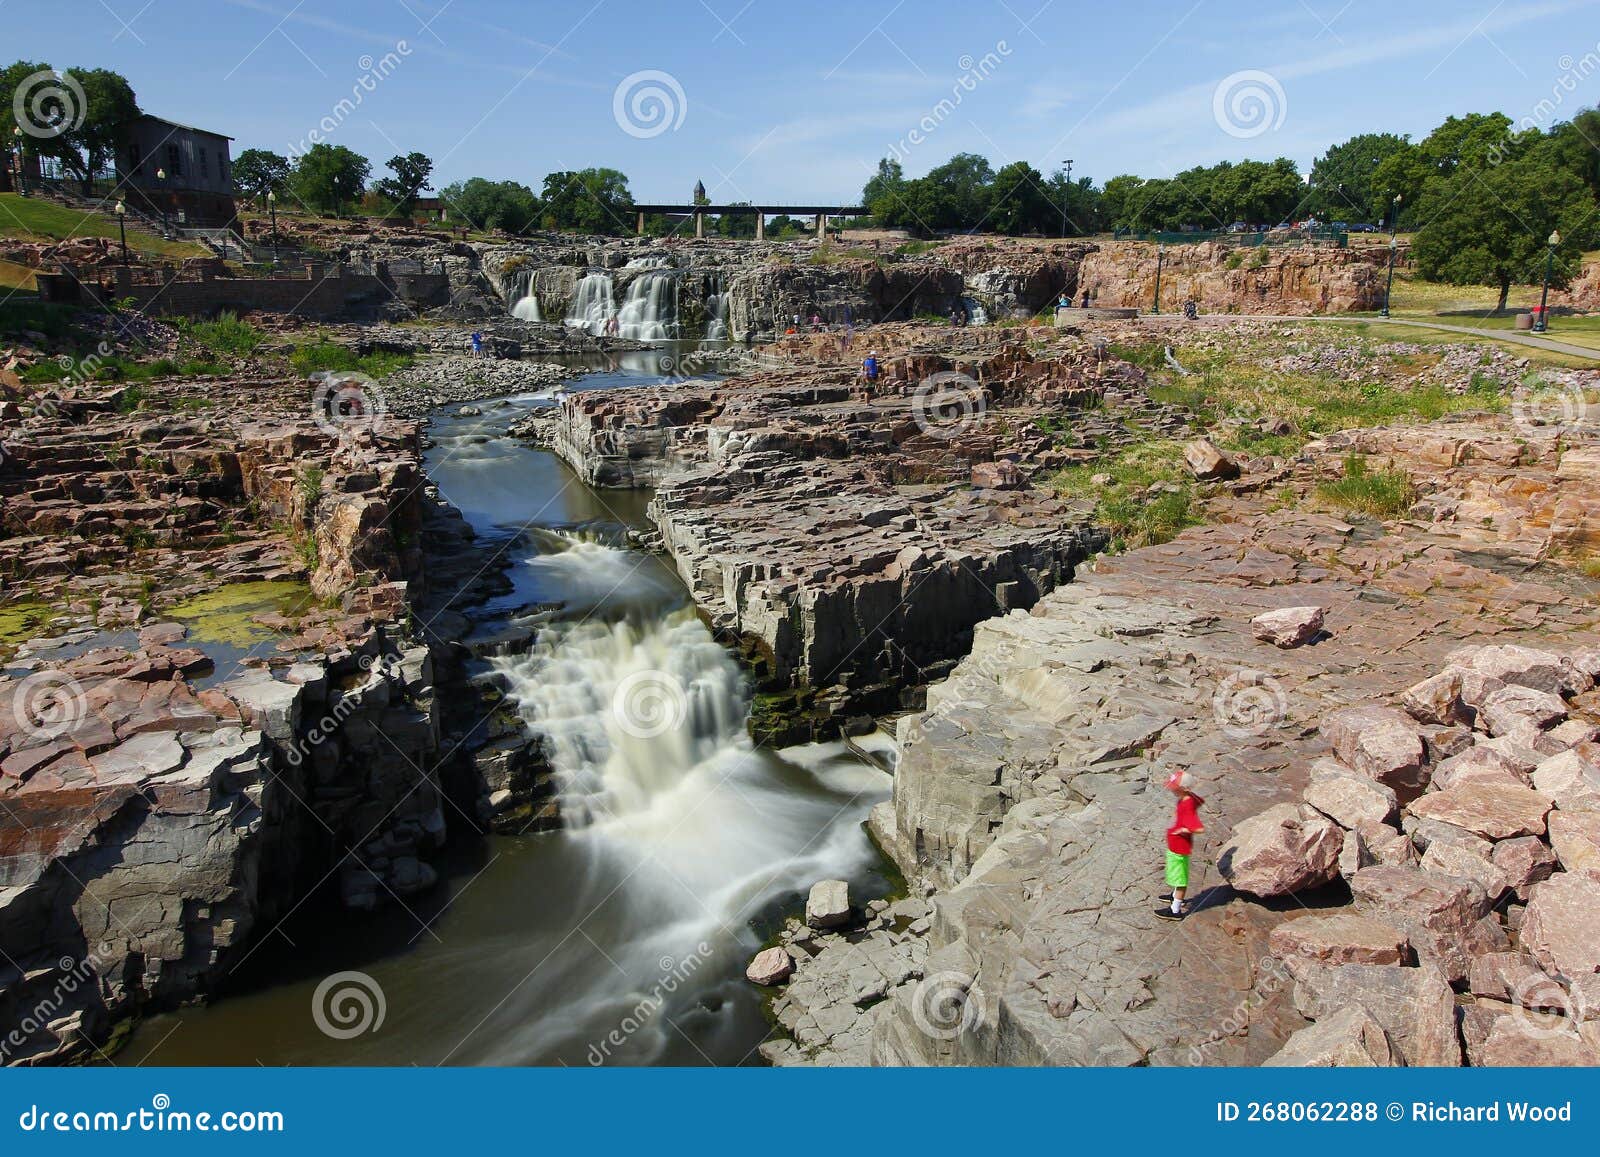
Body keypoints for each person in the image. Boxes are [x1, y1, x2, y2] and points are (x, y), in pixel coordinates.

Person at [1157, 769, 1204, 921]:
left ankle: (1175, 909)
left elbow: (1197, 827)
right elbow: (1199, 800)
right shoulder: (1187, 798)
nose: (1171, 790)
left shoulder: (1187, 805)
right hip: (1175, 846)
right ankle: (1174, 895)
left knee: (1180, 879)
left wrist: (1181, 830)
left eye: (1174, 788)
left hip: (1180, 847)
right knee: (1176, 874)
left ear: (1183, 789)